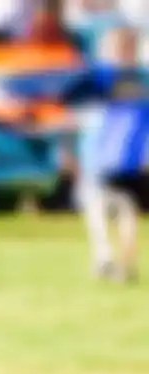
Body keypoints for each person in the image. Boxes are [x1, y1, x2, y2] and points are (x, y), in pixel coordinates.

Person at [69, 25, 149, 283]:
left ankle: (104, 256)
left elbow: (74, 94)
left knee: (97, 205)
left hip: (109, 156)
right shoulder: (143, 80)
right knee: (127, 210)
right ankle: (125, 264)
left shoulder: (105, 77)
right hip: (134, 159)